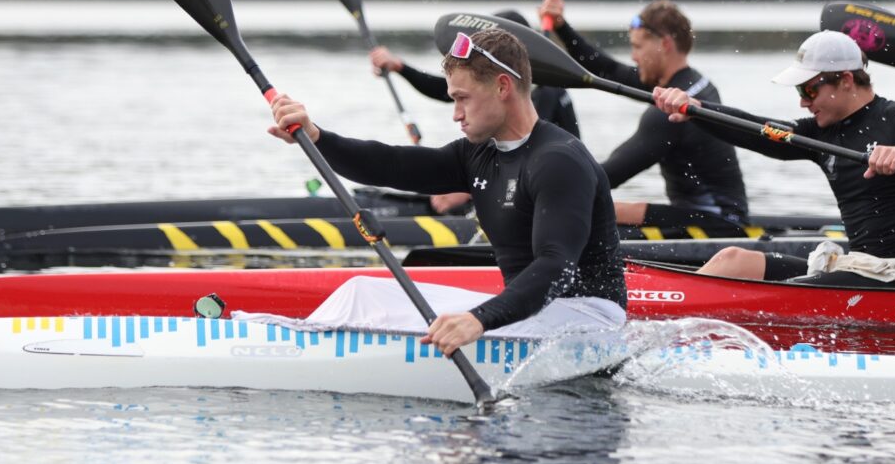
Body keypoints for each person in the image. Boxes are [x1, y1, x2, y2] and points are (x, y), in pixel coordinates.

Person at [268, 27, 626, 356]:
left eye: (462, 98)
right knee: (361, 291)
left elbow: (556, 265)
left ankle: (284, 350)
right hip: (529, 314)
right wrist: (317, 138)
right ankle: (285, 339)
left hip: (586, 323)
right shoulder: (478, 153)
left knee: (371, 307)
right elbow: (390, 164)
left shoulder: (559, 161)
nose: (456, 114)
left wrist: (479, 319)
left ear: (503, 87)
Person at [652, 30, 895, 288]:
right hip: (860, 270)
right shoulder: (820, 135)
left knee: (789, 288)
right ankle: (671, 318)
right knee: (734, 261)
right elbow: (757, 130)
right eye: (799, 93)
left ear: (846, 80)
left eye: (809, 90)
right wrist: (696, 110)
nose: (804, 103)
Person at [540, 0, 749, 231]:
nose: (633, 56)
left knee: (601, 209)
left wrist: (542, 191)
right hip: (718, 215)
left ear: (665, 44)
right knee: (599, 208)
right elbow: (605, 69)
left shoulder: (671, 113)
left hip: (718, 225)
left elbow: (608, 176)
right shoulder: (691, 85)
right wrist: (561, 27)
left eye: (638, 46)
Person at [370, 10, 580, 215]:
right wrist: (401, 67)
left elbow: (522, 153)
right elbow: (444, 90)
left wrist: (467, 189)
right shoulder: (507, 82)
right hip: (523, 179)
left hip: (552, 190)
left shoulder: (545, 93)